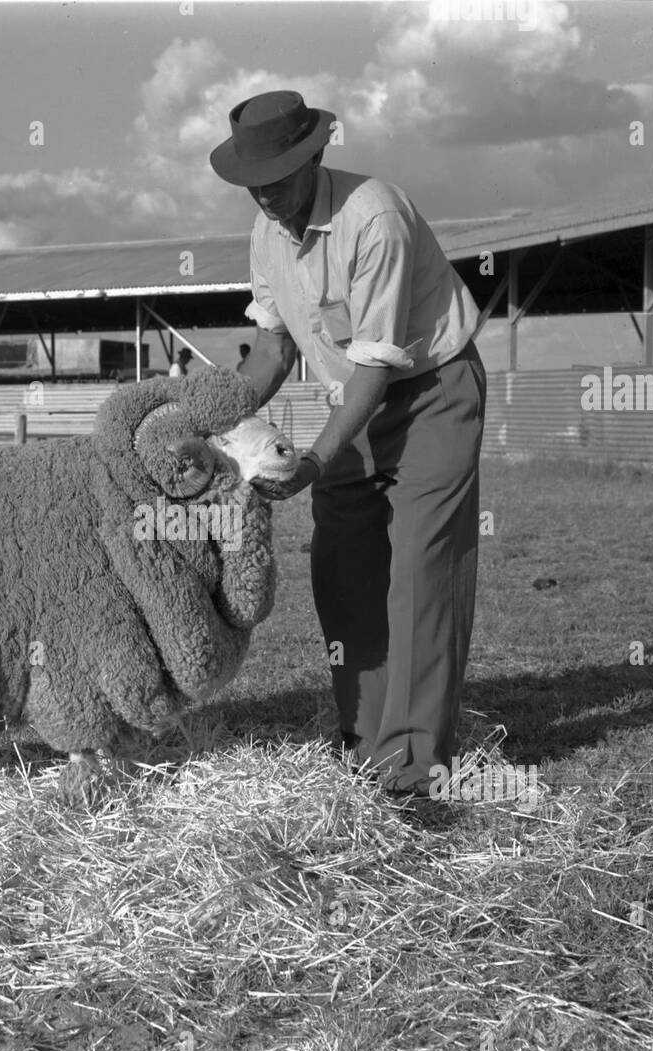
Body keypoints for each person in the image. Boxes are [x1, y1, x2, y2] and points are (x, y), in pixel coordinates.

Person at [210, 90, 485, 798]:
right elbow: (272, 353)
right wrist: (209, 419)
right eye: (254, 185)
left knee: (420, 572)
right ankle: (367, 742)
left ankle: (417, 767)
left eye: (278, 178)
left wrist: (318, 460)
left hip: (428, 393)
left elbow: (377, 364)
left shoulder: (376, 217)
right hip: (351, 401)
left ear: (315, 155)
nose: (266, 197)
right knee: (342, 570)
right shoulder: (267, 236)